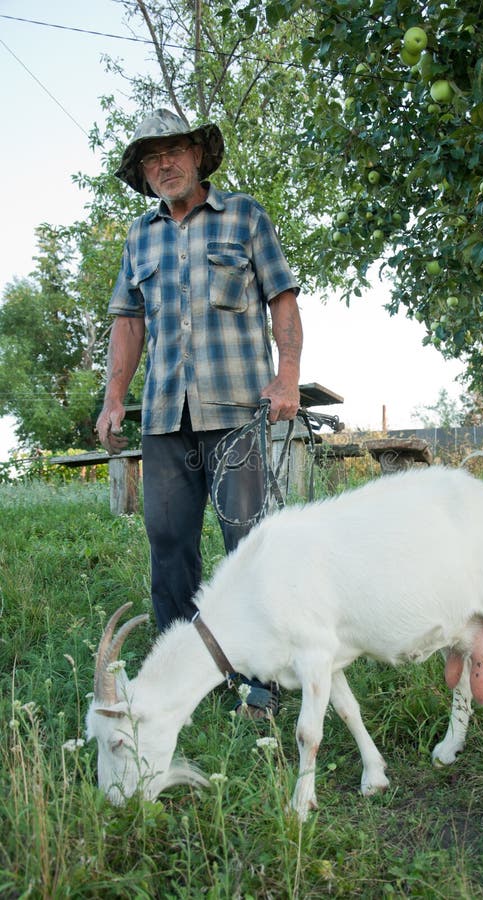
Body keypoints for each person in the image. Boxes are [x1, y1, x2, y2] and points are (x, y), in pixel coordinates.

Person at [96, 108, 302, 717]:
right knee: (168, 544)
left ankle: (260, 678)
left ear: (197, 154)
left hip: (237, 411)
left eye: (174, 151)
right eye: (151, 158)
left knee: (246, 543)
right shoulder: (140, 237)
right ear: (143, 171)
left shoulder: (245, 216)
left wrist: (287, 374)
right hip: (164, 417)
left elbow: (282, 301)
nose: (165, 164)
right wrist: (113, 398)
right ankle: (180, 671)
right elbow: (127, 323)